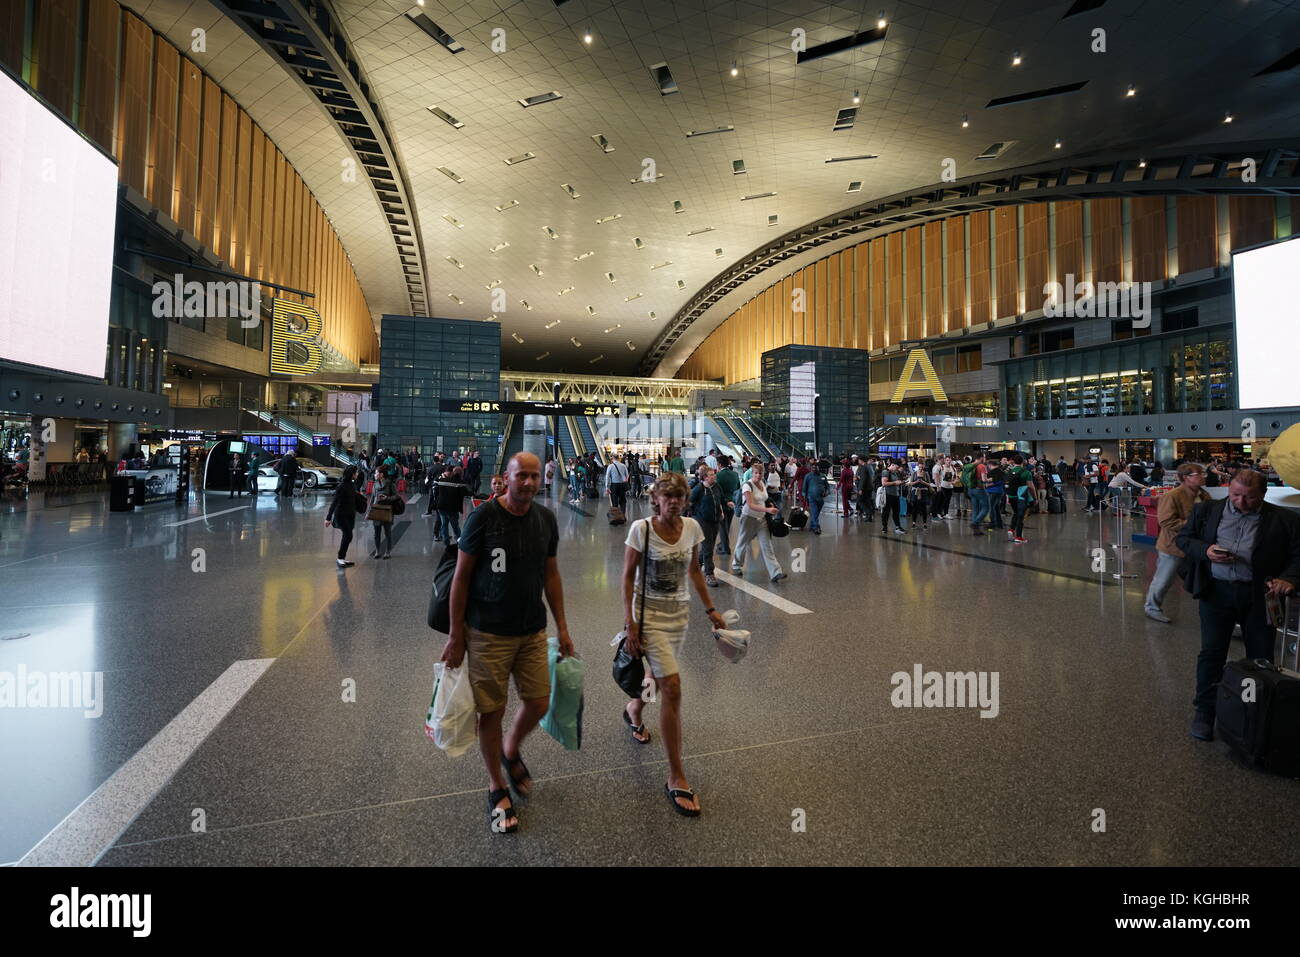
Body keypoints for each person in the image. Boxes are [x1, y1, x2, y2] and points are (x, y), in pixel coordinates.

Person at [439, 452, 574, 834]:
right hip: (488, 633)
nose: (529, 483)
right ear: (507, 478)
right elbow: (461, 579)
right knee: (491, 712)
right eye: (522, 476)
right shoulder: (483, 518)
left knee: (539, 701)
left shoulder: (545, 519)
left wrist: (562, 627)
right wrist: (456, 636)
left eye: (534, 476)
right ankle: (496, 786)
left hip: (532, 630)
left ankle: (510, 748)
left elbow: (551, 576)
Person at [621, 472, 727, 816]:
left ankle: (634, 710)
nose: (674, 503)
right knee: (673, 687)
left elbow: (695, 570)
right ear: (656, 499)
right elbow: (626, 578)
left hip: (678, 617)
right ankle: (676, 775)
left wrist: (710, 609)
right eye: (667, 497)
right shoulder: (641, 529)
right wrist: (630, 624)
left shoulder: (693, 528)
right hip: (648, 616)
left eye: (679, 498)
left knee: (658, 677)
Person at [1177, 469, 1300, 741]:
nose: (1241, 503)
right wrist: (1206, 551)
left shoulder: (1285, 520)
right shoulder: (1207, 511)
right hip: (1216, 594)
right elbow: (1184, 540)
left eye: (1250, 498)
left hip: (1260, 597)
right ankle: (1205, 712)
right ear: (1228, 489)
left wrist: (1288, 578)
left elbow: (1297, 556)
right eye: (1235, 495)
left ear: (1263, 495)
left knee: (1259, 658)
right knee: (1211, 653)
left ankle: (1253, 714)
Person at [1144, 463, 1210, 623]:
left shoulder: (1203, 495)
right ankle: (1152, 607)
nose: (1203, 476)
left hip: (1197, 546)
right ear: (1185, 478)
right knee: (1164, 579)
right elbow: (1166, 521)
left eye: (1202, 473)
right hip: (1173, 546)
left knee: (1204, 579)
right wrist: (1192, 524)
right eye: (1198, 474)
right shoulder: (1173, 496)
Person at [732, 465, 786, 582]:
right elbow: (750, 504)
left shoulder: (762, 484)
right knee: (743, 542)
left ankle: (776, 572)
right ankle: (736, 565)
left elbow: (764, 499)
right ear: (752, 473)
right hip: (748, 518)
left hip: (762, 519)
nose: (758, 475)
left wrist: (769, 504)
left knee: (767, 546)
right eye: (756, 473)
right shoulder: (747, 485)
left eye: (760, 473)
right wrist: (768, 510)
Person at [689, 466, 724, 587]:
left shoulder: (716, 486)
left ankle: (696, 564)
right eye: (711, 475)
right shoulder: (699, 488)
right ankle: (709, 574)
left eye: (714, 474)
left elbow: (722, 499)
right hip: (703, 520)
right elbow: (688, 501)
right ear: (704, 477)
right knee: (708, 547)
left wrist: (726, 505)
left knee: (709, 545)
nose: (714, 476)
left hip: (715, 519)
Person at [325, 465, 366, 568]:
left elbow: (360, 479)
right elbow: (334, 502)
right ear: (351, 474)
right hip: (341, 514)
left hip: (350, 514)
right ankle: (340, 558)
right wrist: (328, 518)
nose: (357, 474)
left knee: (346, 535)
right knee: (348, 535)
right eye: (355, 473)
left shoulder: (352, 485)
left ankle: (342, 558)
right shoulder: (341, 486)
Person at [435, 466, 469, 546]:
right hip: (452, 508)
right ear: (461, 474)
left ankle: (446, 542)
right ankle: (460, 541)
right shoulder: (459, 483)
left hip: (441, 506)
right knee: (455, 526)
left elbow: (435, 487)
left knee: (444, 524)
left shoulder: (442, 480)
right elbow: (467, 493)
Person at [369, 466, 397, 559]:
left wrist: (387, 498)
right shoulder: (375, 484)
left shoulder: (390, 484)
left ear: (381, 475)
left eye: (376, 473)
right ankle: (377, 551)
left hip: (387, 510)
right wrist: (369, 511)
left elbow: (396, 497)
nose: (375, 474)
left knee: (387, 532)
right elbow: (372, 498)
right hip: (376, 510)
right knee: (376, 533)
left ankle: (387, 551)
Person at [1005, 453, 1034, 544]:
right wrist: (1035, 497)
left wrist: (1007, 497)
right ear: (1023, 462)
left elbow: (1006, 485)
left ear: (1014, 462)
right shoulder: (1026, 473)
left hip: (1011, 496)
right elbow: (1030, 486)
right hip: (1021, 496)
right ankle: (1018, 536)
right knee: (1021, 515)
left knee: (1016, 513)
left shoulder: (1009, 472)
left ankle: (1011, 529)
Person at [714, 456, 739, 557]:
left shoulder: (718, 475)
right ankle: (722, 544)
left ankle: (725, 548)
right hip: (732, 502)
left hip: (722, 503)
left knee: (722, 527)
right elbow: (738, 487)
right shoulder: (735, 474)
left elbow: (716, 490)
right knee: (727, 526)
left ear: (719, 464)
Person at [964, 453, 989, 533]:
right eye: (984, 457)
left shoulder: (971, 465)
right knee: (986, 508)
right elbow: (984, 480)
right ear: (981, 458)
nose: (985, 459)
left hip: (970, 489)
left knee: (975, 509)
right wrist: (991, 479)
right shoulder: (982, 466)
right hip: (979, 489)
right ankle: (975, 523)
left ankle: (976, 531)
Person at [802, 461, 829, 535]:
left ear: (818, 468)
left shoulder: (823, 476)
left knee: (816, 513)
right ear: (811, 468)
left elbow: (827, 486)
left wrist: (827, 492)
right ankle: (816, 527)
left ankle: (812, 525)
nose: (814, 469)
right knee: (814, 512)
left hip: (820, 499)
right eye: (813, 467)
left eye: (816, 467)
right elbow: (804, 487)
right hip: (811, 498)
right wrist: (804, 496)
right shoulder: (808, 476)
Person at [881, 460, 907, 534]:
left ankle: (897, 526)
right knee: (886, 511)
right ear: (892, 465)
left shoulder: (895, 473)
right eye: (897, 467)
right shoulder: (886, 472)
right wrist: (895, 483)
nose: (897, 468)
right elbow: (884, 483)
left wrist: (901, 482)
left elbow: (896, 482)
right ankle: (884, 527)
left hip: (895, 494)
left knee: (896, 511)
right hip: (888, 494)